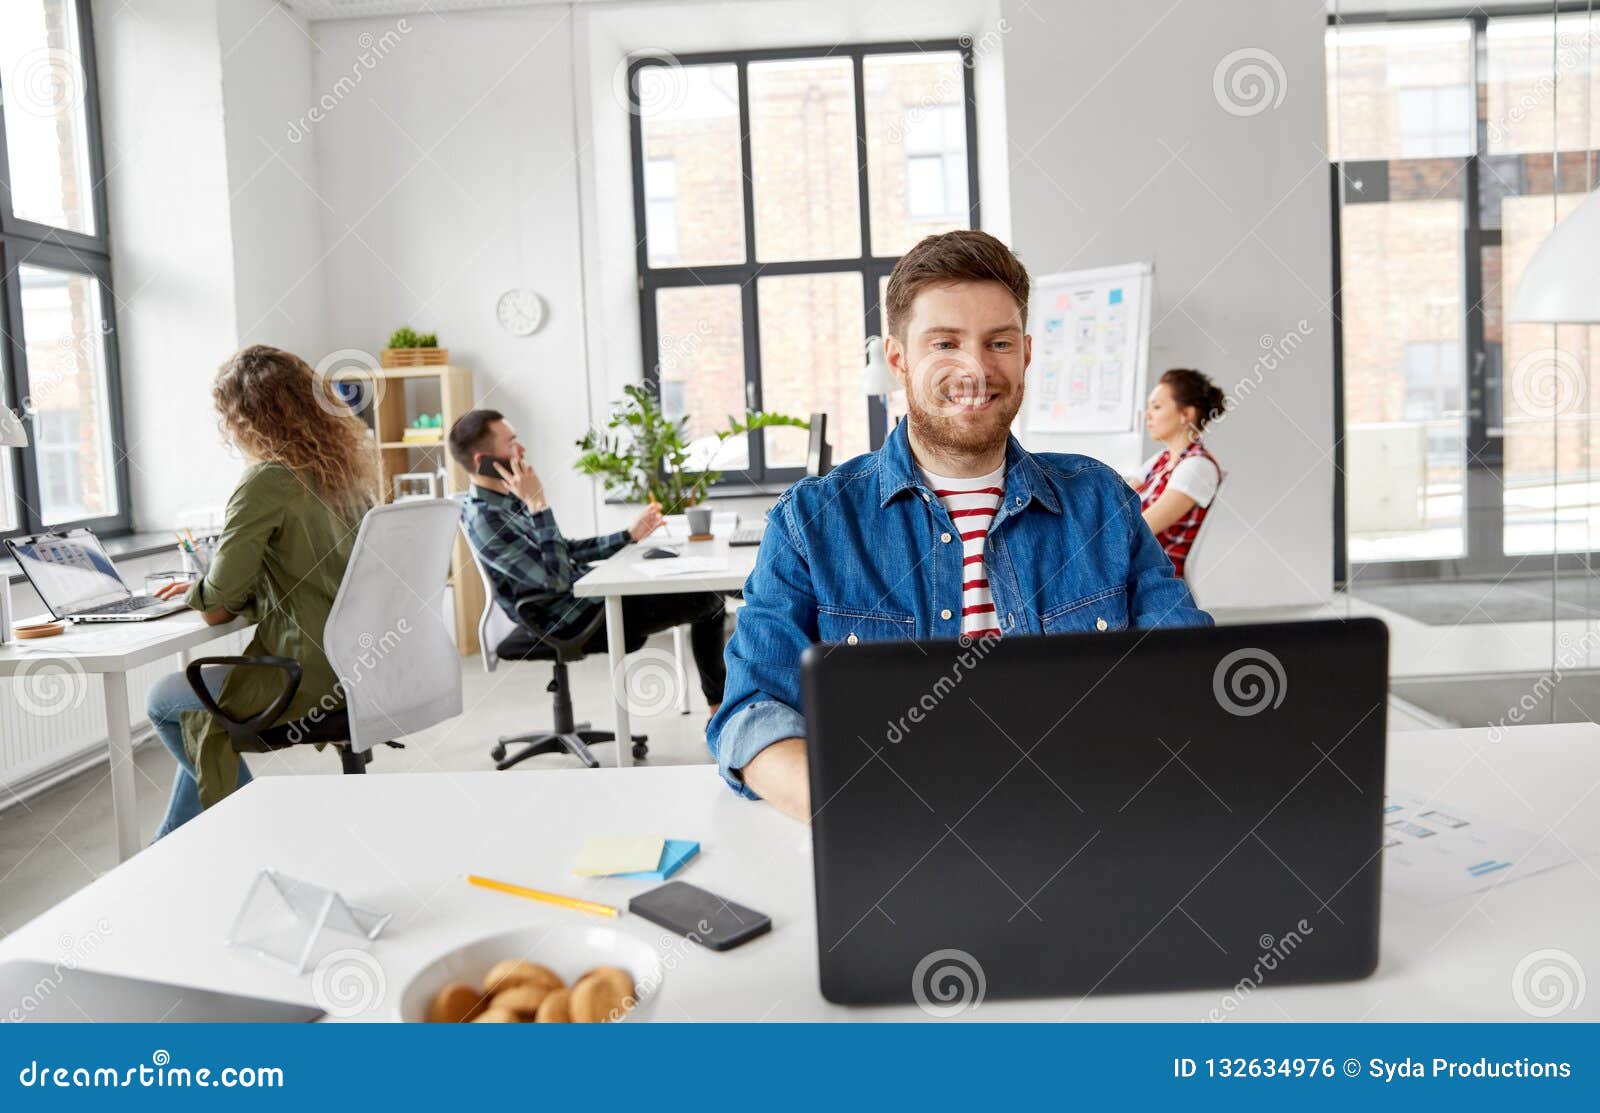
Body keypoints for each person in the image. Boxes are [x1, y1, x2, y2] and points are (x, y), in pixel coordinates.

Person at [707, 229, 1211, 821]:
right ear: (898, 359)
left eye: (997, 342)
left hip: (1084, 822)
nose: (975, 370)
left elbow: (1187, 671)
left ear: (1025, 352)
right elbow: (751, 713)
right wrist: (868, 815)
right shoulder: (811, 522)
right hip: (892, 840)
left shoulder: (1101, 502)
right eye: (945, 343)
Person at [147, 345, 375, 838]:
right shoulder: (348, 475)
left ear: (244, 419)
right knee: (203, 722)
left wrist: (199, 588)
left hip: (307, 671)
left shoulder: (267, 480)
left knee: (166, 699)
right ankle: (171, 847)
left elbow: (216, 606)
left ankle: (251, 830)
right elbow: (318, 576)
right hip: (364, 662)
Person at [451, 409, 727, 714]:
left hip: (581, 600)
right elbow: (556, 579)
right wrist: (538, 505)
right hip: (568, 617)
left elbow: (561, 551)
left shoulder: (506, 501)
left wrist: (627, 536)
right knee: (708, 600)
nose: (522, 449)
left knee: (702, 588)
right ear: (482, 460)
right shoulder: (487, 519)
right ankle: (720, 712)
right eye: (512, 441)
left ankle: (721, 703)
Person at [1134, 368, 1225, 580]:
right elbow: (1113, 502)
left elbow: (1137, 531)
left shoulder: (1197, 467)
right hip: (1130, 574)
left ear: (1186, 414)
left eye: (1156, 407)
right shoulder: (1159, 461)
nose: (1147, 415)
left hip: (1156, 581)